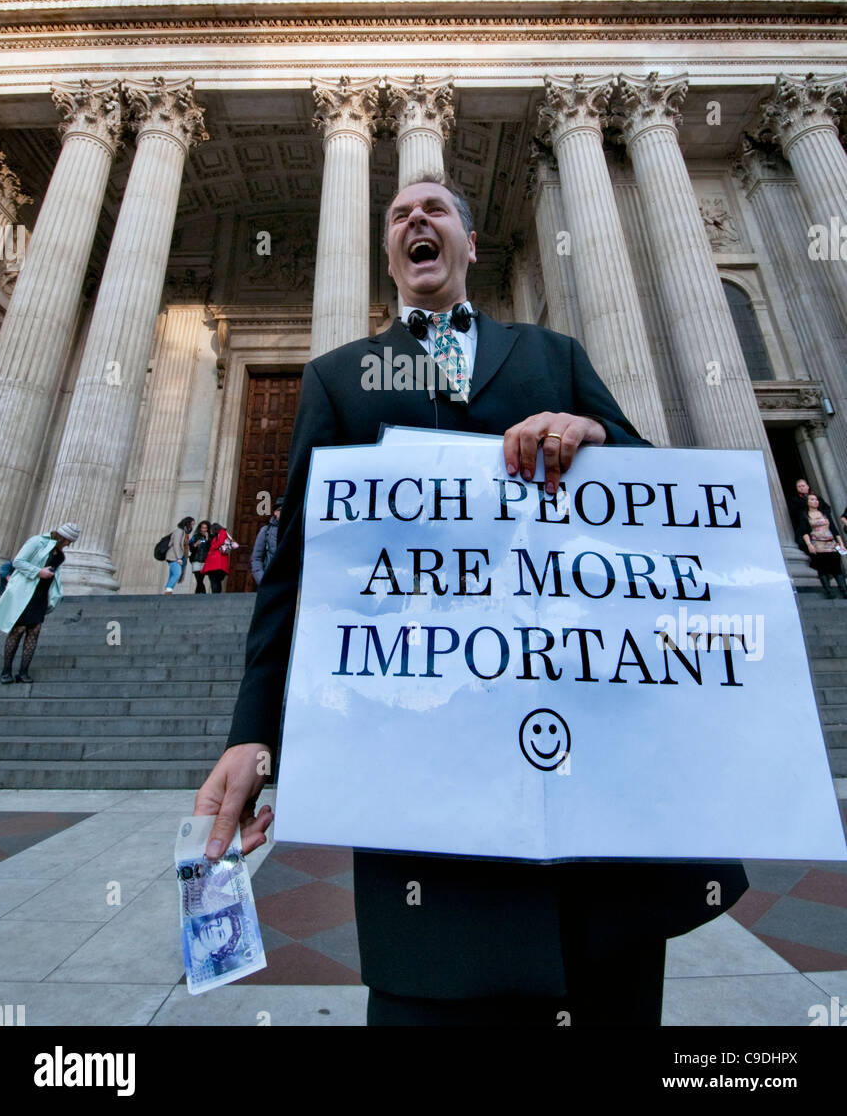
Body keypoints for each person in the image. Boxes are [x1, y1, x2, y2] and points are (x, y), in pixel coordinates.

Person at [195, 174, 748, 1027]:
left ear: (468, 245)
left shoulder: (549, 356)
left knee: (608, 992)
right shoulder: (340, 379)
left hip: (583, 754)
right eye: (399, 216)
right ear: (387, 253)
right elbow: (298, 571)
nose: (417, 221)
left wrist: (594, 435)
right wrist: (253, 732)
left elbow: (657, 500)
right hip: (424, 763)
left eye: (436, 210)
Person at [0, 522, 80, 683]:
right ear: (62, 537)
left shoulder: (58, 551)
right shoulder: (37, 541)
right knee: (18, 630)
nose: (68, 544)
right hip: (25, 591)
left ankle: (23, 672)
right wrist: (38, 572)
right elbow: (18, 561)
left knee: (34, 631)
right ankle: (6, 671)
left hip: (41, 594)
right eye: (68, 541)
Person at [798, 493, 847, 599]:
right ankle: (829, 591)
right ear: (807, 502)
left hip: (831, 543)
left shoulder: (824, 513)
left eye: (816, 499)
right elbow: (804, 531)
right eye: (812, 499)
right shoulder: (805, 515)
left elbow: (833, 529)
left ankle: (844, 590)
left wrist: (841, 544)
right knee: (822, 568)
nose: (815, 501)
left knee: (837, 568)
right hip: (817, 544)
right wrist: (809, 544)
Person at [250, 501, 283, 587]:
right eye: (281, 509)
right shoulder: (266, 531)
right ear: (275, 512)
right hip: (270, 582)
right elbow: (256, 558)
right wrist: (262, 580)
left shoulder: (297, 530)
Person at [202, 523, 238, 594]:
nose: (211, 531)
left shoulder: (222, 532)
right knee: (215, 579)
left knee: (214, 579)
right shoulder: (217, 536)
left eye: (211, 530)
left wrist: (212, 548)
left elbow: (221, 542)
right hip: (216, 562)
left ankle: (215, 595)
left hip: (216, 562)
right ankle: (216, 595)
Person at [164, 516, 194, 593]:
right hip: (174, 556)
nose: (192, 527)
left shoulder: (184, 533)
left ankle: (169, 590)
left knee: (172, 574)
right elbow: (176, 545)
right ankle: (168, 588)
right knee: (177, 573)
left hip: (180, 555)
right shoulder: (179, 531)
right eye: (191, 524)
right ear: (187, 524)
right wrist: (179, 558)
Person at [189, 520, 212, 594]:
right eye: (203, 528)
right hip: (196, 559)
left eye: (205, 528)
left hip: (205, 560)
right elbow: (191, 547)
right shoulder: (195, 537)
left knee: (200, 579)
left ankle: (199, 594)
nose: (204, 530)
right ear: (200, 528)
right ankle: (202, 594)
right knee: (198, 579)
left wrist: (207, 538)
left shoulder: (210, 537)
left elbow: (211, 547)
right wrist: (195, 545)